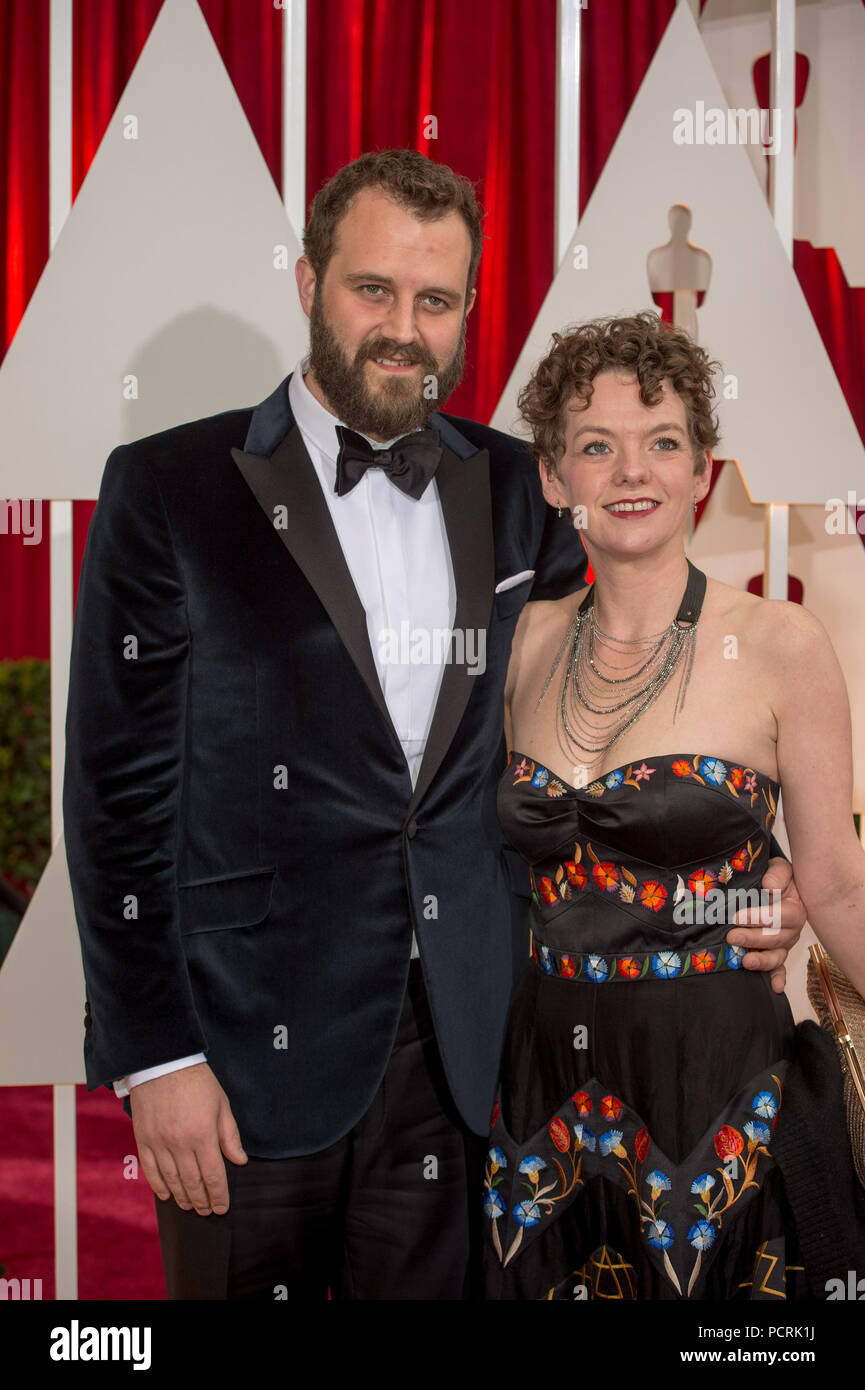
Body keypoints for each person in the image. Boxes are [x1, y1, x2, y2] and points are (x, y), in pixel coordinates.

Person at [63, 152, 804, 1302]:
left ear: (466, 313)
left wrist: (763, 869)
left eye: (437, 300)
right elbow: (113, 795)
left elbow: (634, 699)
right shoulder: (169, 488)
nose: (403, 329)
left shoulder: (525, 489)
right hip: (240, 1055)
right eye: (373, 290)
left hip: (466, 1046)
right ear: (308, 281)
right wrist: (156, 1053)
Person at [483, 312, 865, 1301]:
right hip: (538, 1088)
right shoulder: (518, 641)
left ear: (704, 469)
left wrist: (776, 893)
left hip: (713, 1085)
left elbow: (837, 885)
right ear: (552, 477)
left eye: (661, 442)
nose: (629, 472)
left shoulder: (780, 644)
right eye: (594, 446)